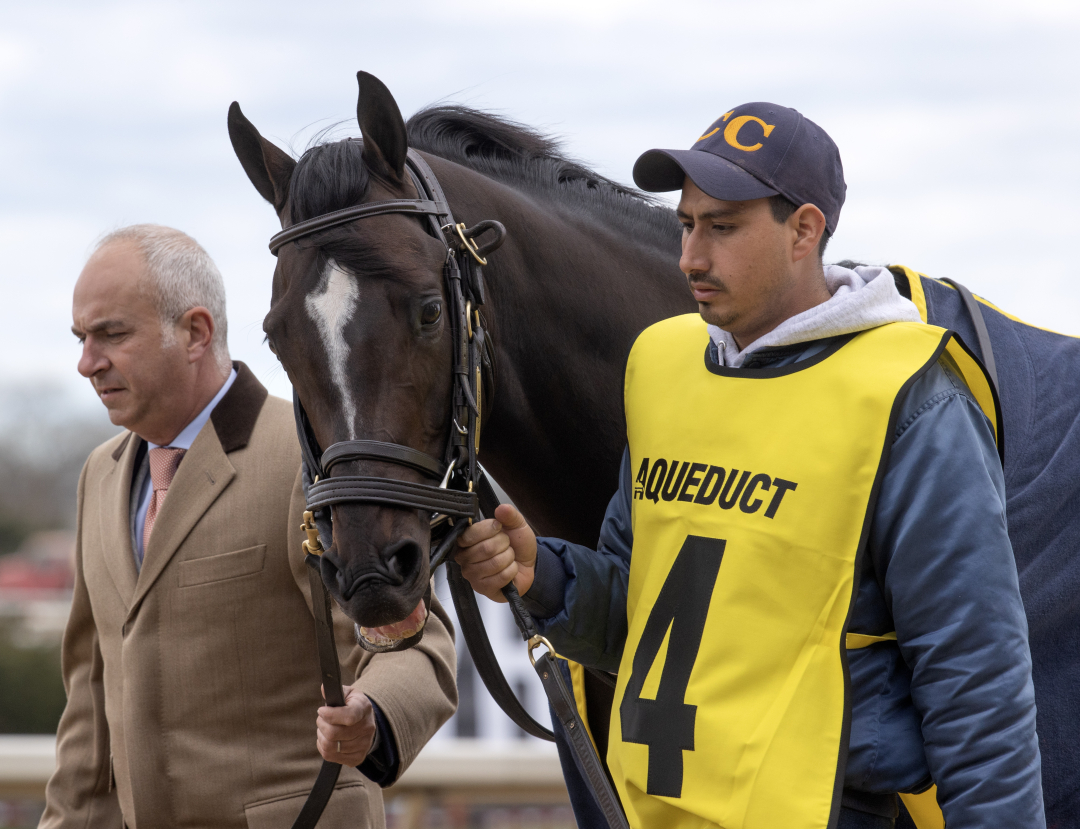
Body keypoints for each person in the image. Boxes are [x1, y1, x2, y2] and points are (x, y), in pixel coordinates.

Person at [456, 105, 1044, 828]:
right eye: (686, 224)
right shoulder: (663, 365)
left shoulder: (911, 399)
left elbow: (976, 687)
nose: (691, 258)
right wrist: (540, 574)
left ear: (805, 230)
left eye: (722, 227)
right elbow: (640, 615)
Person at [43, 225, 457, 828]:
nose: (87, 362)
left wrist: (372, 713)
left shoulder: (310, 461)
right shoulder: (98, 477)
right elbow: (90, 710)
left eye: (112, 334)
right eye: (82, 338)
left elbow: (421, 645)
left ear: (195, 332)